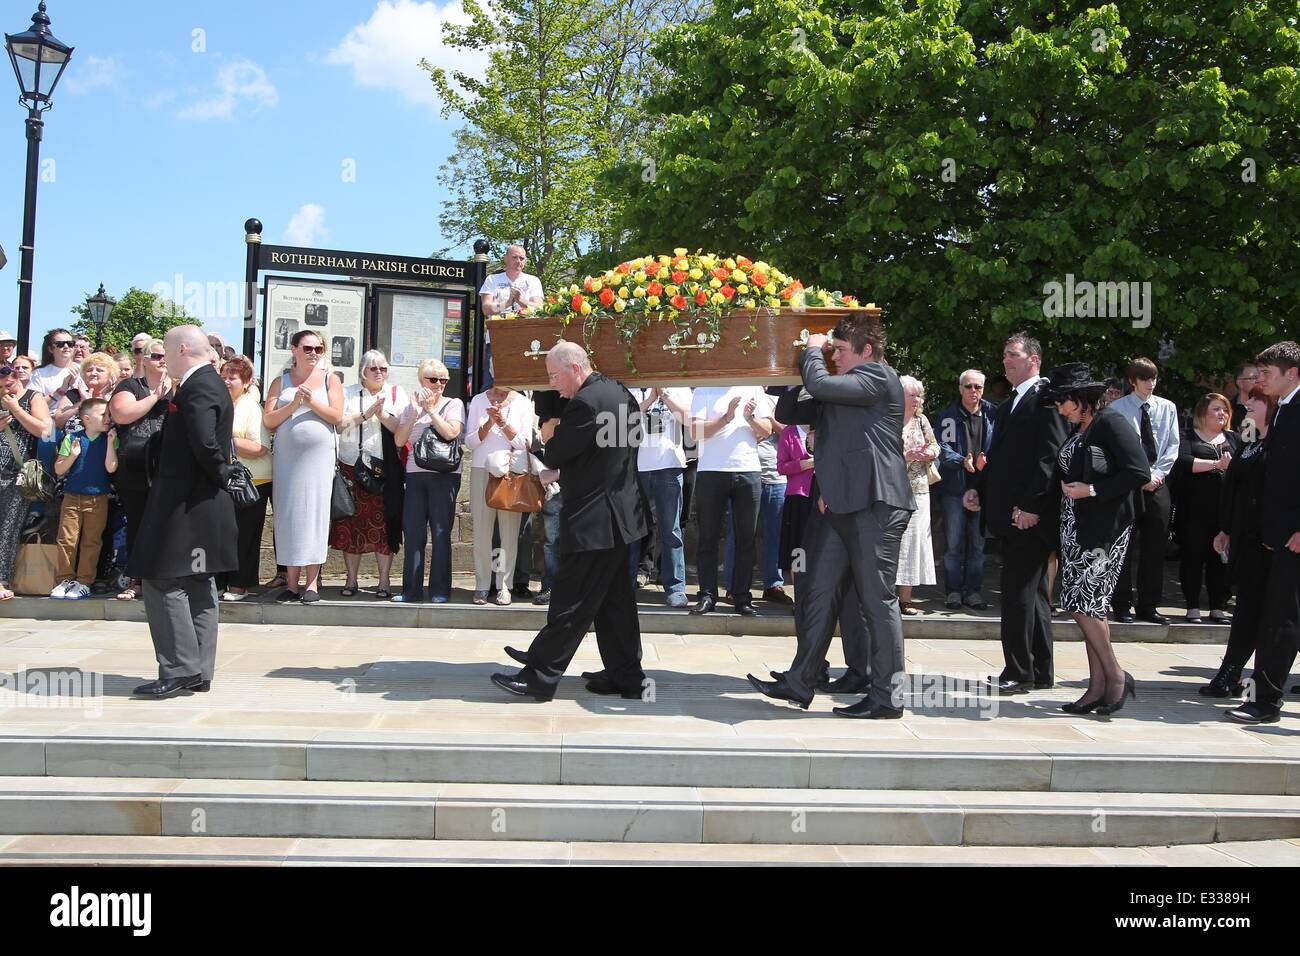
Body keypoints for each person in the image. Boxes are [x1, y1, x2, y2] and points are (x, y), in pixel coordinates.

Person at [748, 313, 914, 718]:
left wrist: (810, 354)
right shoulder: (838, 387)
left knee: (878, 602)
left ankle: (887, 697)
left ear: (867, 351)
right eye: (832, 351)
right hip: (842, 503)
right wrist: (803, 363)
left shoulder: (877, 377)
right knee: (817, 590)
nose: (833, 356)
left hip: (877, 504)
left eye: (840, 351)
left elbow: (819, 383)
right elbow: (789, 410)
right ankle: (801, 680)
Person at [491, 341, 647, 701]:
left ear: (575, 368)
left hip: (595, 518)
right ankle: (627, 676)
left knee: (571, 599)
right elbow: (623, 446)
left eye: (554, 376)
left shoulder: (584, 403)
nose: (552, 384)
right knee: (615, 602)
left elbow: (558, 452)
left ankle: (539, 677)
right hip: (623, 514)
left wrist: (547, 440)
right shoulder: (621, 393)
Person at [131, 325, 237, 699]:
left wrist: (222, 474)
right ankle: (197, 671)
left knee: (162, 580)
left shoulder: (200, 386)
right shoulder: (206, 383)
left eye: (164, 350)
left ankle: (179, 669)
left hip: (186, 505)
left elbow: (206, 444)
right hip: (199, 504)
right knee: (197, 583)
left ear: (180, 349)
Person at [964, 332, 1070, 694]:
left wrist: (1031, 506)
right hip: (1011, 514)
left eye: (1013, 355)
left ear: (1033, 360)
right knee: (1035, 593)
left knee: (1018, 594)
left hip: (1027, 518)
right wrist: (980, 488)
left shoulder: (1044, 400)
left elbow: (1049, 458)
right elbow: (1002, 457)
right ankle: (1039, 670)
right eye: (1005, 355)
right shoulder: (1014, 400)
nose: (1006, 361)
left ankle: (1019, 671)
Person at [1043, 363, 1150, 715]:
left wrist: (1090, 490)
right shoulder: (1085, 427)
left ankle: (1115, 676)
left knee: (1083, 603)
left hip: (1105, 528)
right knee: (1086, 604)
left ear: (1081, 397)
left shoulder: (1112, 422)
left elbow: (1138, 471)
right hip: (1077, 528)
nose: (1060, 408)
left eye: (1063, 402)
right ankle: (1098, 685)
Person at [1227, 342, 1300, 724]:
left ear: (1293, 373)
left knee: (1281, 619)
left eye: (1269, 373)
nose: (1261, 379)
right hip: (1280, 532)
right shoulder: (1286, 409)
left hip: (1294, 535)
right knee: (1278, 615)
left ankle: (1266, 701)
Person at [1202, 385, 1275, 696]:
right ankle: (1231, 672)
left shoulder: (1280, 441)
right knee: (1247, 606)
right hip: (1246, 537)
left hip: (1270, 538)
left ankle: (1252, 678)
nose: (1246, 405)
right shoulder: (1250, 442)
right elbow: (1234, 488)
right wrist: (1225, 528)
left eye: (1255, 401)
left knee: (1267, 611)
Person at [264, 330, 344, 604]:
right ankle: (291, 583)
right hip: (288, 459)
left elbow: (337, 416)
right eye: (308, 348)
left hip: (318, 460)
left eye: (319, 349)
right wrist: (295, 403)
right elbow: (269, 421)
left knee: (315, 515)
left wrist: (311, 401)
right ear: (294, 350)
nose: (313, 353)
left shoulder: (330, 380)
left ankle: (312, 584)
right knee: (289, 515)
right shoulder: (280, 382)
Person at [689, 385, 775, 616]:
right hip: (711, 471)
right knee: (708, 537)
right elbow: (695, 431)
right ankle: (707, 595)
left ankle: (742, 597)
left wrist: (750, 418)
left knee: (746, 539)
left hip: (748, 470)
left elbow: (767, 429)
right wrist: (725, 418)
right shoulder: (703, 391)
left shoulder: (754, 387)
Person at [1107, 357, 1180, 624]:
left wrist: (1158, 474)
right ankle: (1121, 603)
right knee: (1122, 545)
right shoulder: (1117, 408)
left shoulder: (1167, 407)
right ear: (1132, 381)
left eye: (1154, 379)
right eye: (1145, 379)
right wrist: (1137, 476)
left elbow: (1172, 445)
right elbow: (1115, 448)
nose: (1150, 384)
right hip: (1128, 484)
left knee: (1155, 545)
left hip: (1157, 484)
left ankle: (1149, 605)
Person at [332, 350, 408, 599]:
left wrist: (381, 413)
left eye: (383, 368)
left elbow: (401, 430)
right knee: (351, 525)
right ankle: (351, 579)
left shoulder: (397, 394)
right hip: (351, 466)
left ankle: (384, 581)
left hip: (384, 471)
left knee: (384, 526)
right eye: (374, 368)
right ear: (363, 372)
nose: (379, 373)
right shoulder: (348, 392)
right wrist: (366, 414)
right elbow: (340, 424)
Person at [393, 359, 464, 603]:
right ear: (421, 380)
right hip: (415, 474)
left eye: (444, 379)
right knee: (413, 533)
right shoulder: (410, 407)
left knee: (441, 533)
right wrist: (415, 411)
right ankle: (410, 590)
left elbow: (451, 432)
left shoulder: (454, 404)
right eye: (433, 379)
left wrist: (432, 410)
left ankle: (440, 590)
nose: (439, 384)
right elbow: (399, 441)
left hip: (445, 476)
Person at [109, 336, 171, 602]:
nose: (162, 360)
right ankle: (137, 579)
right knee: (138, 522)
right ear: (144, 359)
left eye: (165, 355)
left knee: (168, 523)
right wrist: (156, 396)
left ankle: (163, 577)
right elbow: (122, 414)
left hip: (167, 464)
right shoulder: (131, 385)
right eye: (156, 356)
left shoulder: (178, 386)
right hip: (135, 464)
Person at [464, 382, 534, 605]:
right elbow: (469, 442)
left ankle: (505, 585)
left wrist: (503, 423)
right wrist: (487, 425)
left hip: (510, 473)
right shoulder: (477, 400)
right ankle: (483, 585)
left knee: (509, 533)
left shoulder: (523, 402)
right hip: (481, 469)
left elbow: (525, 442)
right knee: (482, 533)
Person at [1175, 393, 1241, 624]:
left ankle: (1217, 606)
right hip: (1193, 510)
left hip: (1223, 510)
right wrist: (1217, 465)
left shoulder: (1234, 438)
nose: (1222, 413)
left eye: (1224, 409)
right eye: (1216, 409)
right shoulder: (1188, 436)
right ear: (1203, 412)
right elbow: (1183, 461)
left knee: (1219, 559)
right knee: (1192, 557)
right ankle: (1192, 606)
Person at [50, 398, 118, 600]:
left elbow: (111, 467)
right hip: (72, 497)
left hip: (98, 498)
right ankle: (65, 579)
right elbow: (58, 468)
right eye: (103, 415)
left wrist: (110, 443)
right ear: (86, 419)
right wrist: (72, 455)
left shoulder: (111, 437)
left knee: (92, 541)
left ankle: (84, 581)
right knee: (66, 540)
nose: (108, 419)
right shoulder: (72, 438)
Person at [936, 369, 993, 610]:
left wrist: (987, 461)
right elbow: (943, 448)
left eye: (978, 387)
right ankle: (953, 591)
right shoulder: (949, 416)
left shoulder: (993, 414)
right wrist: (963, 461)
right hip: (955, 488)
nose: (973, 391)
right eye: (969, 386)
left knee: (978, 545)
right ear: (960, 388)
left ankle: (973, 592)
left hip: (983, 489)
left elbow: (1002, 445)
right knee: (953, 544)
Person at [218, 356, 272, 601]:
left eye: (233, 377)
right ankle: (222, 581)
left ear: (246, 382)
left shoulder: (250, 407)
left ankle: (240, 584)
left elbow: (260, 447)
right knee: (224, 533)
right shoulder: (220, 403)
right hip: (225, 479)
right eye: (224, 376)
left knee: (245, 535)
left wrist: (226, 439)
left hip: (252, 481)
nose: (227, 381)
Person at [0, 364, 52, 601]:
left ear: (17, 378)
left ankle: (2, 579)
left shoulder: (33, 397)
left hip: (17, 472)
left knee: (8, 527)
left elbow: (44, 429)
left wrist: (16, 410)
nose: (4, 390)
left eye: (8, 384)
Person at [512, 389, 568, 604]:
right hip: (555, 478)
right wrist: (557, 418)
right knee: (552, 539)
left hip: (582, 481)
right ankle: (550, 587)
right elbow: (545, 435)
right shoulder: (547, 397)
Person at [897, 375, 939, 615]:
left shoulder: (921, 420)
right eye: (912, 395)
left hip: (920, 489)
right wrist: (906, 456)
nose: (916, 400)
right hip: (892, 488)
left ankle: (906, 599)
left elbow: (936, 445)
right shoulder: (888, 420)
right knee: (893, 542)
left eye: (918, 395)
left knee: (914, 542)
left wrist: (928, 454)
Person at [479, 244, 544, 388]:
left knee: (522, 383)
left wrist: (522, 301)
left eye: (522, 258)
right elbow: (486, 308)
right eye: (514, 257)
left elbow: (540, 308)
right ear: (506, 259)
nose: (519, 261)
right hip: (497, 339)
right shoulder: (492, 280)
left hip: (525, 339)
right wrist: (507, 302)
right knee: (493, 383)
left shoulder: (533, 281)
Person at [53, 351, 118, 434]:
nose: (93, 373)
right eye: (89, 370)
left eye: (99, 370)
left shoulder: (117, 396)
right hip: (73, 445)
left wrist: (108, 403)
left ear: (111, 375)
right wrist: (83, 403)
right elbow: (58, 422)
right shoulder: (73, 395)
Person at [31, 328, 82, 401]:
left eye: (70, 343)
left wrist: (74, 387)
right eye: (60, 344)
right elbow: (34, 404)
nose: (66, 347)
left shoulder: (84, 370)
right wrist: (61, 389)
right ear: (50, 349)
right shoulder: (38, 373)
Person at [1231, 363, 1259, 432]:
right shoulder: (1228, 409)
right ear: (1240, 383)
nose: (1259, 381)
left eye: (1259, 377)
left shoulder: (1270, 408)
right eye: (1254, 378)